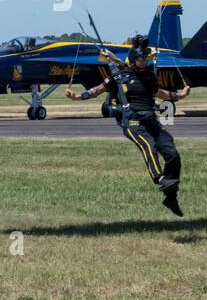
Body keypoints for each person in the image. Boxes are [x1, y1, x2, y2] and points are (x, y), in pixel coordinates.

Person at [67, 34, 190, 216]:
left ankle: (170, 197)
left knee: (173, 154)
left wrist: (179, 95)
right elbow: (98, 90)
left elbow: (159, 93)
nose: (144, 62)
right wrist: (77, 97)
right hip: (132, 122)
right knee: (149, 146)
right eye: (141, 59)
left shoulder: (149, 75)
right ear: (133, 59)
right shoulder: (118, 76)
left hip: (151, 120)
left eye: (145, 59)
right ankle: (161, 178)